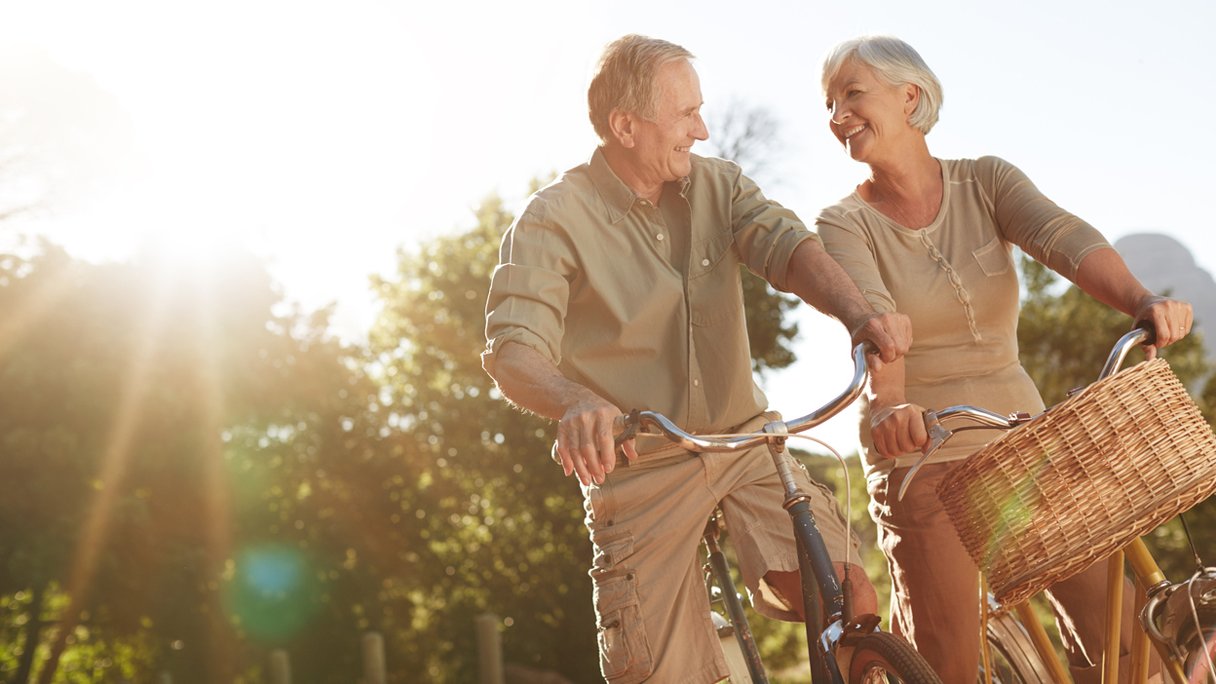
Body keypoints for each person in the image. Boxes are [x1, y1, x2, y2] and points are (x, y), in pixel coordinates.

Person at [482, 34, 913, 684]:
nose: (702, 129)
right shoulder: (553, 221)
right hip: (642, 470)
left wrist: (860, 314)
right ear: (626, 126)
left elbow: (786, 246)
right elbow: (514, 348)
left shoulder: (718, 186)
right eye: (685, 114)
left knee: (848, 595)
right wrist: (574, 399)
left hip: (742, 442)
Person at [816, 35, 1191, 683]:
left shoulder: (984, 180)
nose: (837, 115)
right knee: (949, 654)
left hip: (1021, 438)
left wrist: (1141, 300)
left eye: (852, 94)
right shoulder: (843, 224)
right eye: (828, 103)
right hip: (922, 453)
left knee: (1125, 635)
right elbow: (875, 320)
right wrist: (891, 404)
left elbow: (1062, 237)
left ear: (910, 97)